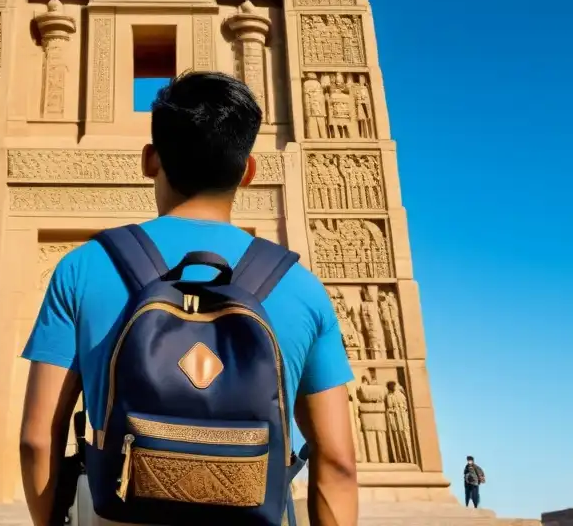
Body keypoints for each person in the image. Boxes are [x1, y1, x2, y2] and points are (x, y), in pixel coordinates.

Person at [19, 72, 359, 526]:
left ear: (149, 160)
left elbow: (38, 440)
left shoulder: (84, 267)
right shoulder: (299, 286)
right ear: (249, 170)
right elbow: (336, 462)